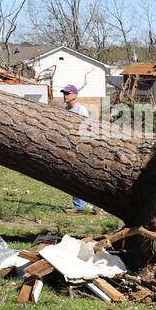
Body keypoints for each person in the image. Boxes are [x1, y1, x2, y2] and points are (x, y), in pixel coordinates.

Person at [60, 85, 98, 215]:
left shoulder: (81, 109)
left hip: (81, 147)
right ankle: (81, 205)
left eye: (67, 93)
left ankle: (83, 205)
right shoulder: (65, 109)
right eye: (64, 93)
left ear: (74, 95)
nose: (65, 95)